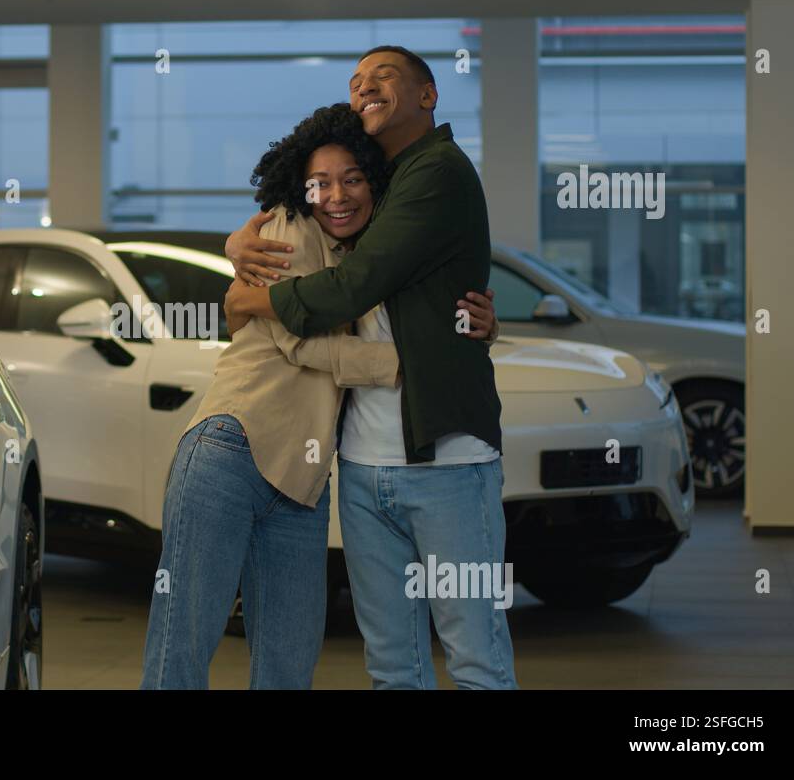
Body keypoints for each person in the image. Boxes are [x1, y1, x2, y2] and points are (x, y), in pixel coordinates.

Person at [140, 103, 498, 690]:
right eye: (320, 183)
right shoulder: (286, 230)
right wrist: (405, 365)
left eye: (352, 180)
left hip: (304, 482)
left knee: (288, 661)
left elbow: (426, 304)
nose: (336, 196)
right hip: (230, 449)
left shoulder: (371, 254)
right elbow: (296, 340)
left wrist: (483, 326)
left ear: (375, 183)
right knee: (183, 642)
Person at [225, 45, 518, 690]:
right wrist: (236, 244)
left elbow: (354, 286)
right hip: (364, 465)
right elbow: (296, 230)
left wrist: (254, 297)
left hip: (448, 463)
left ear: (427, 94)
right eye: (356, 83)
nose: (365, 89)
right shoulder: (377, 190)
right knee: (392, 666)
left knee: (475, 657)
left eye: (382, 78)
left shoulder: (437, 172)